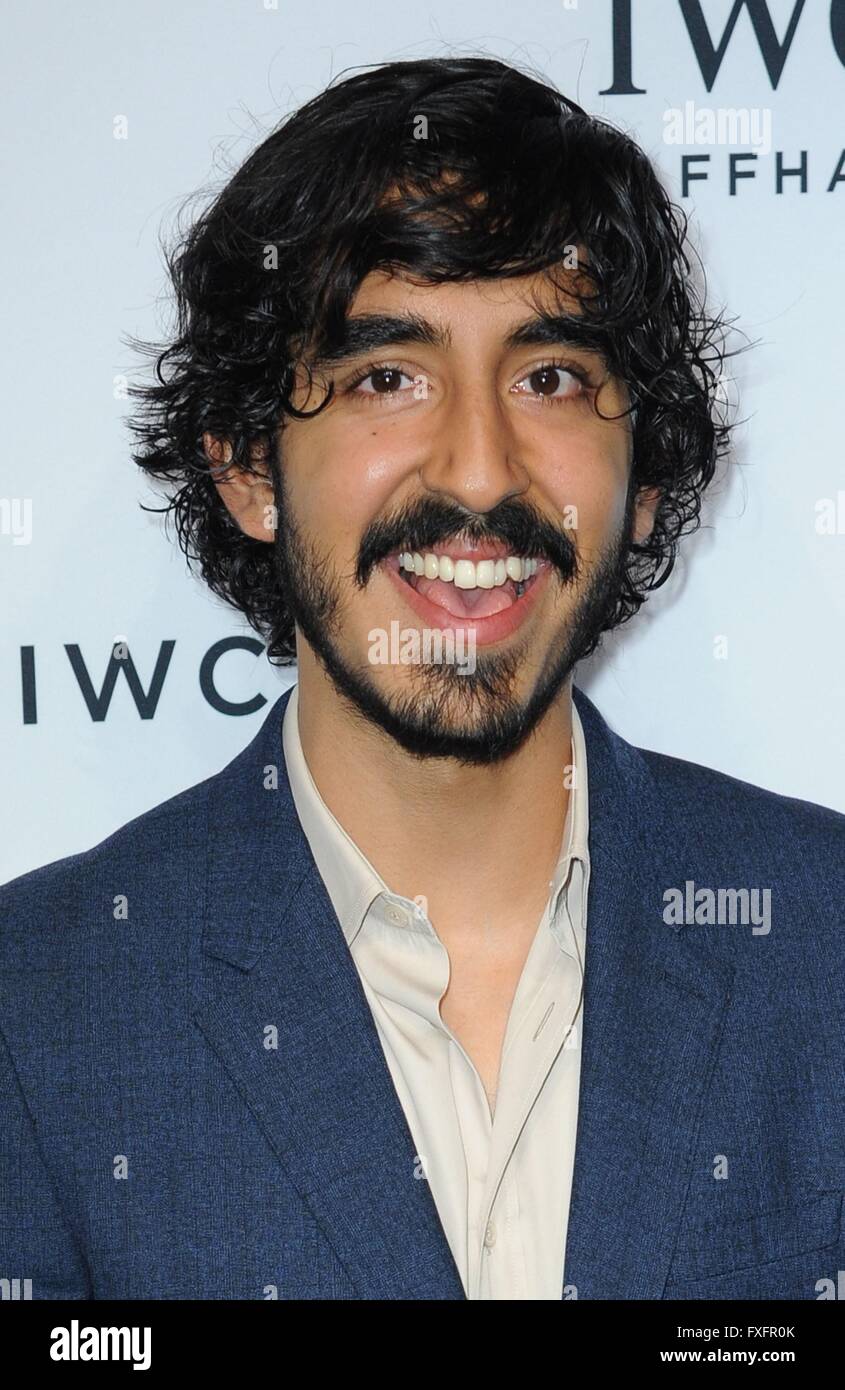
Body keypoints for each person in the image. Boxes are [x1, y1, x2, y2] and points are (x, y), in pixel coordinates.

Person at [1, 56, 843, 1302]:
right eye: (384, 376)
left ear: (644, 470)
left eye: (549, 376)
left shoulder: (819, 940)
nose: (478, 470)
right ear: (243, 466)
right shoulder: (41, 1008)